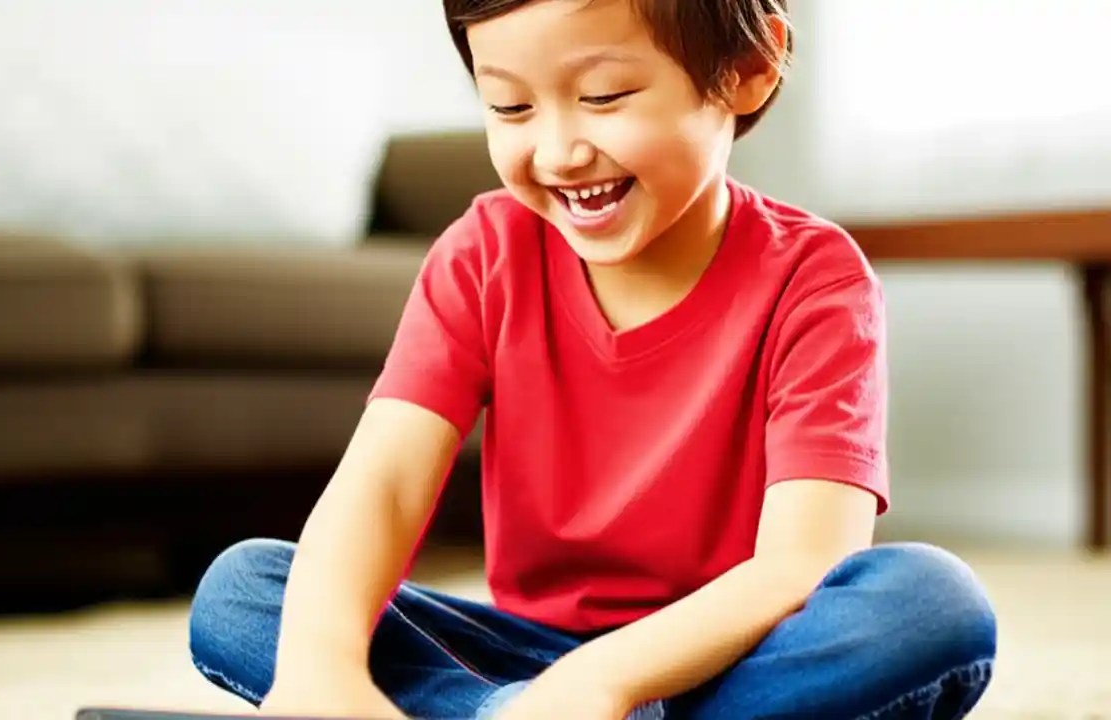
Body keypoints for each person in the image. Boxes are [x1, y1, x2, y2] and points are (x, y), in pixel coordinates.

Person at [188, 1, 998, 718]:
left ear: (748, 70)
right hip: (520, 661)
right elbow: (384, 485)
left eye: (603, 97)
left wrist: (605, 686)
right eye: (509, 106)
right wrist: (319, 670)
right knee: (246, 588)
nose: (559, 150)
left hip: (721, 662)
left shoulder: (817, 281)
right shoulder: (483, 254)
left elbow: (803, 562)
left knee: (932, 606)